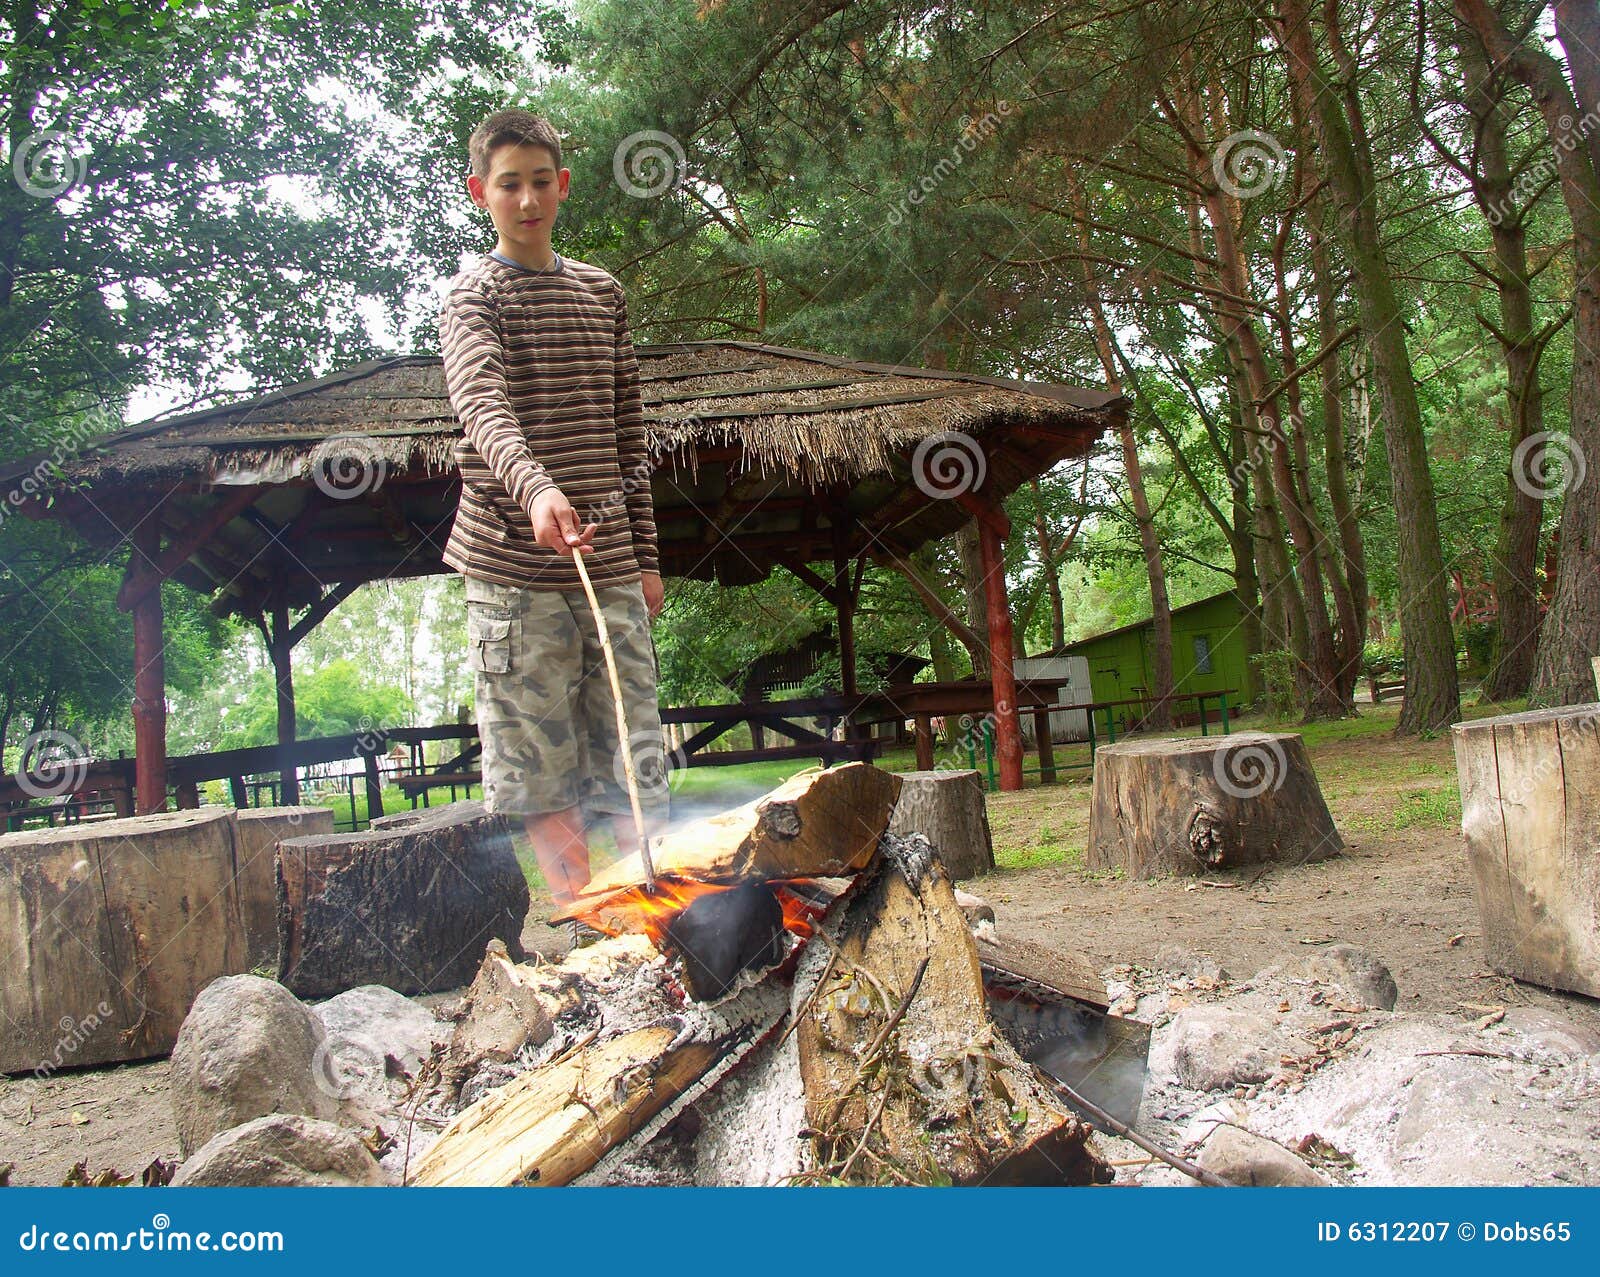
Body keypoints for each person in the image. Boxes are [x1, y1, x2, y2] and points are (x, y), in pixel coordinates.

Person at [438, 108, 668, 920]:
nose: (527, 199)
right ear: (481, 193)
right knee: (541, 762)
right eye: (510, 184)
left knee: (633, 755)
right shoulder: (472, 299)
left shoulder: (603, 293)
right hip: (512, 575)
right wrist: (536, 490)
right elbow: (482, 409)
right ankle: (584, 923)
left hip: (608, 567)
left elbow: (628, 427)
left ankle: (654, 915)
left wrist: (645, 554)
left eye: (541, 181)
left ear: (562, 186)